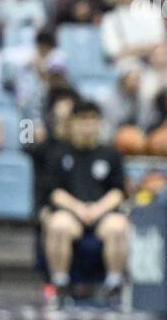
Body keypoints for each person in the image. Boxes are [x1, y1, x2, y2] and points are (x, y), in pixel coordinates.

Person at [37, 99, 130, 306]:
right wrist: (79, 209)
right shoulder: (58, 153)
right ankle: (60, 282)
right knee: (58, 224)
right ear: (72, 123)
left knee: (118, 226)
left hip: (102, 214)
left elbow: (118, 191)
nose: (88, 126)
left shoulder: (110, 153)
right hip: (70, 214)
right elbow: (53, 192)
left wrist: (97, 209)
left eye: (92, 121)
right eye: (82, 121)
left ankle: (114, 284)